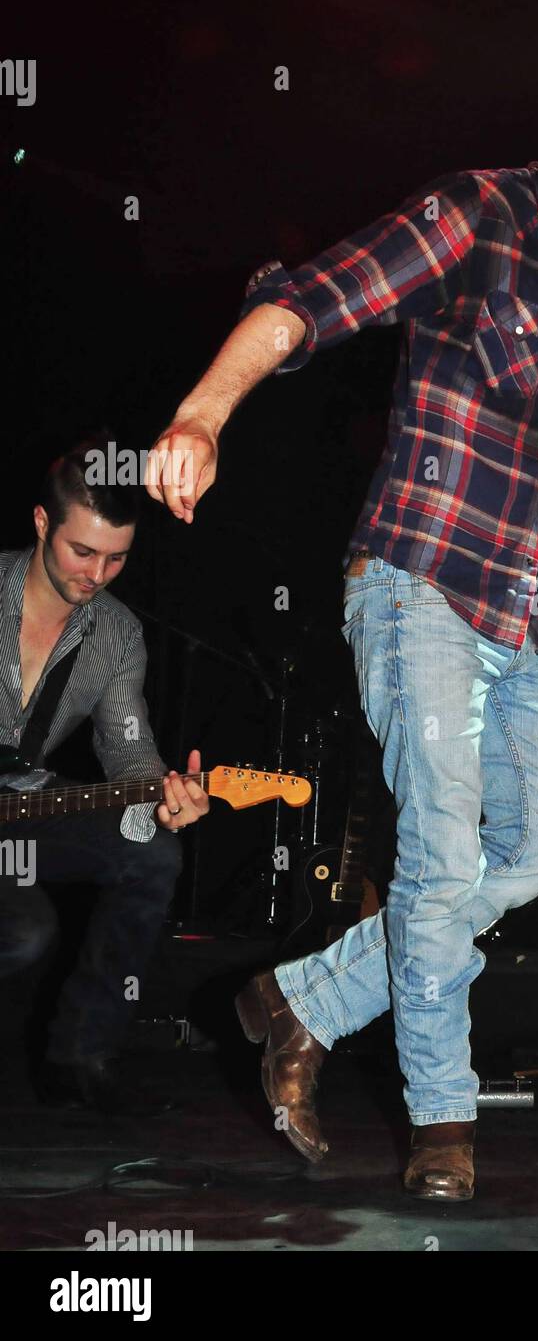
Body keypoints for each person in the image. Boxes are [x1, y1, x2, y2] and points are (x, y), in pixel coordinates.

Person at [147, 25, 538, 1197]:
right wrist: (201, 413)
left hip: (515, 613)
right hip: (411, 582)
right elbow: (314, 301)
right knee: (440, 860)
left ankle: (300, 999)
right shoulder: (474, 217)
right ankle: (443, 1124)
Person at [0, 444, 209, 1115]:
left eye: (115, 558)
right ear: (40, 523)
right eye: (82, 552)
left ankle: (80, 1056)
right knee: (25, 933)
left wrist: (165, 799)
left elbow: (130, 756)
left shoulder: (117, 636)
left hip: (20, 813)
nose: (97, 574)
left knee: (151, 850)